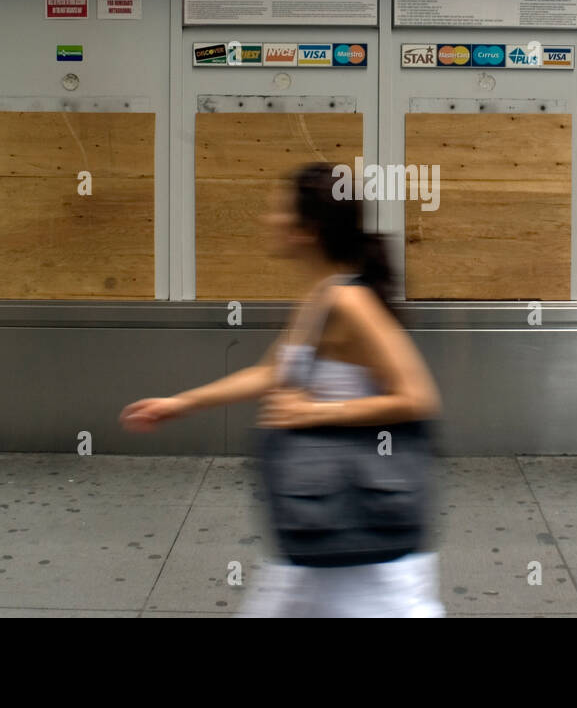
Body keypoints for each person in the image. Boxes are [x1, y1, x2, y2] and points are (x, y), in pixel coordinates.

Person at [120, 161, 445, 617]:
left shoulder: (350, 302)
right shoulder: (321, 295)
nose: (266, 220)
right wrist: (180, 404)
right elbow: (273, 372)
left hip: (362, 544)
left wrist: (314, 413)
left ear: (306, 230)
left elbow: (417, 397)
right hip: (322, 524)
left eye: (277, 211)